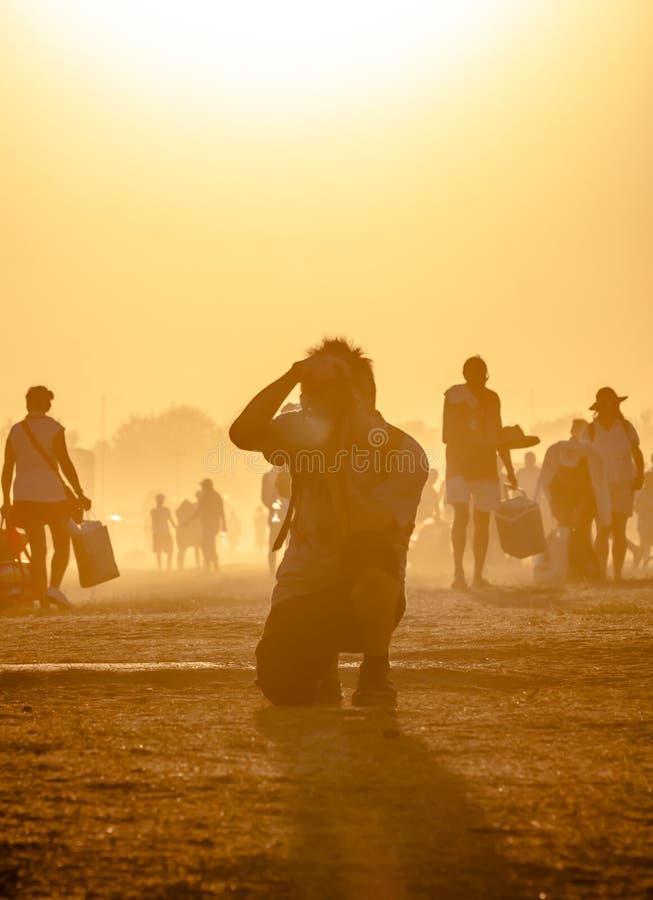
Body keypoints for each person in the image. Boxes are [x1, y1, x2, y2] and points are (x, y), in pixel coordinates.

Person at [230, 337, 427, 707]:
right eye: (312, 391)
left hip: (367, 596)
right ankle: (321, 669)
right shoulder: (302, 431)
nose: (315, 402)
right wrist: (293, 375)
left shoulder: (402, 452)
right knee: (283, 685)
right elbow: (242, 434)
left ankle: (375, 670)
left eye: (330, 391)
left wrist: (334, 461)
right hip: (304, 588)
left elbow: (372, 530)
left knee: (370, 551)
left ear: (363, 398)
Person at [1, 386, 91, 610]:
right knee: (62, 544)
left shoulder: (15, 431)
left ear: (27, 404)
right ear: (47, 405)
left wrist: (7, 501)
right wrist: (79, 492)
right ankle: (54, 589)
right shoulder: (54, 429)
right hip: (52, 497)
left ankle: (42, 600)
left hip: (24, 497)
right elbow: (65, 463)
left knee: (38, 550)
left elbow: (7, 469)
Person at [442, 356, 518, 590]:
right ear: (465, 374)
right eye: (472, 371)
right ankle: (458, 573)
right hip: (459, 466)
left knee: (483, 521)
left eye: (480, 371)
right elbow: (447, 435)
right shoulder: (454, 397)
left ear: (485, 374)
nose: (476, 376)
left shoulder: (492, 399)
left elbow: (499, 437)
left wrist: (510, 469)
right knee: (462, 517)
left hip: (485, 467)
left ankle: (477, 575)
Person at [582, 388, 644, 581]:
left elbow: (637, 452)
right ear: (600, 406)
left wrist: (640, 476)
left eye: (612, 403)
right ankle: (601, 573)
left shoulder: (626, 427)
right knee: (603, 530)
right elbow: (584, 459)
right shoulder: (590, 430)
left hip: (625, 482)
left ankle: (617, 574)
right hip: (600, 485)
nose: (610, 406)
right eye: (606, 403)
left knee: (619, 530)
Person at [538, 419, 609, 582]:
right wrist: (563, 512)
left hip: (583, 505)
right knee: (568, 536)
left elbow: (591, 488)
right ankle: (573, 572)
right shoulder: (559, 460)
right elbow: (552, 489)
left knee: (581, 536)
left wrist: (580, 508)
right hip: (565, 505)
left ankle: (586, 572)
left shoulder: (587, 459)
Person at [197, 478, 226, 571]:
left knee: (207, 544)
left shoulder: (211, 496)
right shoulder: (213, 496)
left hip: (211, 524)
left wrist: (224, 526)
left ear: (206, 486)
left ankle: (210, 564)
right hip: (209, 524)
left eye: (202, 486)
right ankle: (212, 564)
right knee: (208, 544)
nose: (201, 488)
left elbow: (221, 511)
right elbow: (222, 512)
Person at [635, 453, 653, 568]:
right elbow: (636, 508)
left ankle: (642, 565)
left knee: (645, 545)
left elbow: (636, 508)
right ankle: (643, 565)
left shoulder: (642, 493)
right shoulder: (641, 494)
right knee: (645, 545)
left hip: (645, 524)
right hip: (644, 524)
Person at [175, 493, 202, 569]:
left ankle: (181, 566)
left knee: (184, 549)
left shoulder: (190, 508)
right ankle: (195, 564)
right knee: (187, 549)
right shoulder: (192, 507)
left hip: (188, 532)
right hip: (188, 532)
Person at [150, 493, 175, 570]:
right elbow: (154, 522)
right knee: (159, 551)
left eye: (161, 499)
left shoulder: (163, 510)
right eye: (160, 499)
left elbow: (170, 520)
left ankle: (167, 567)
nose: (161, 501)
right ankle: (162, 567)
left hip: (162, 532)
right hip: (160, 532)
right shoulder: (154, 511)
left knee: (167, 550)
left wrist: (175, 526)